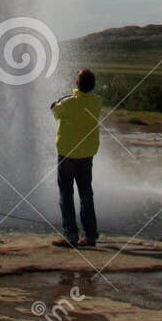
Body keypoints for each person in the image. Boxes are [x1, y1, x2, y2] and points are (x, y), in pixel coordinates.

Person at [51, 68, 101, 250]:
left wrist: (57, 103)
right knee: (86, 194)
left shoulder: (69, 103)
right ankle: (90, 236)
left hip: (67, 154)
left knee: (66, 193)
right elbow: (82, 100)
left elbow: (56, 112)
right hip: (86, 154)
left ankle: (71, 236)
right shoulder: (97, 102)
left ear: (77, 84)